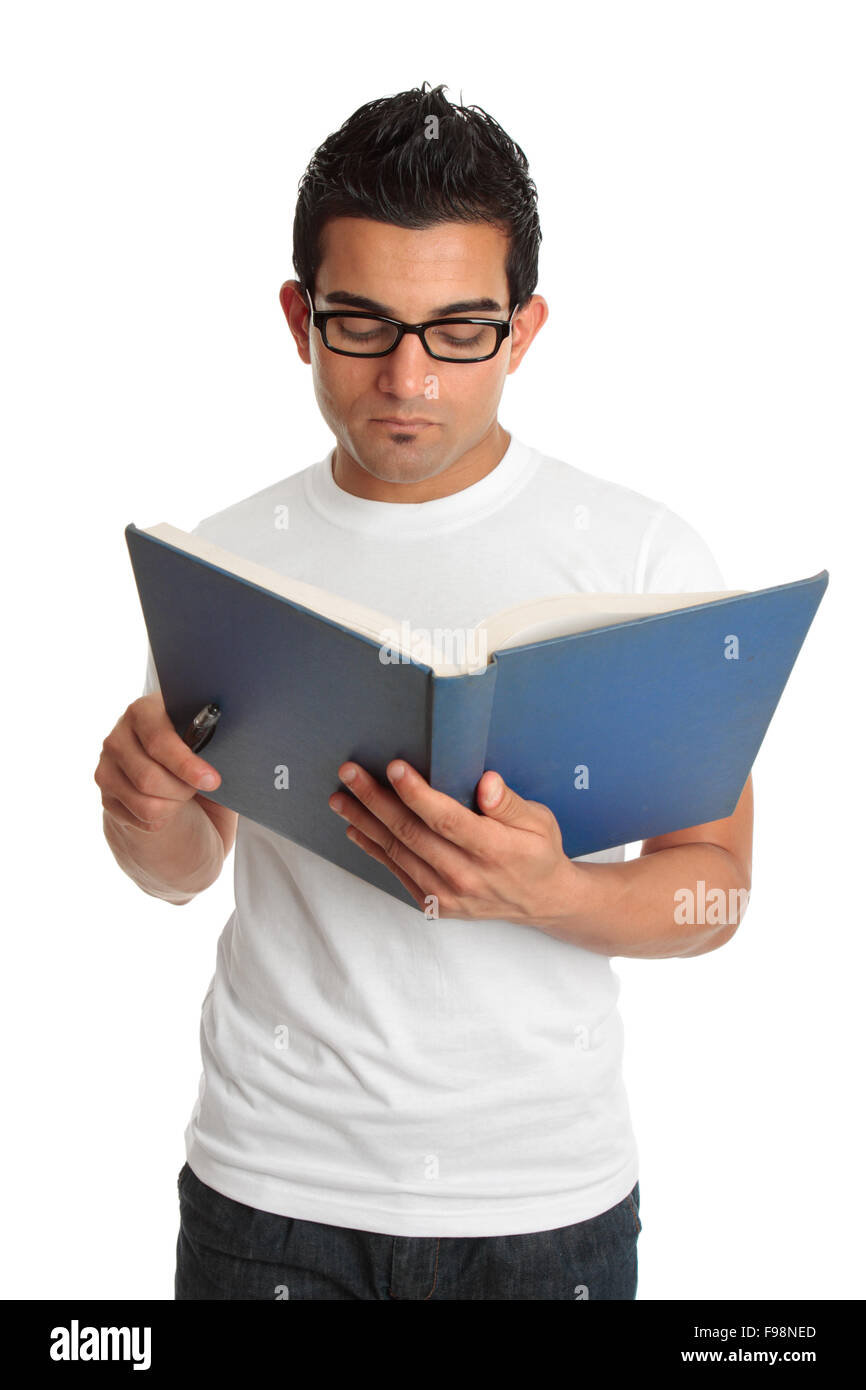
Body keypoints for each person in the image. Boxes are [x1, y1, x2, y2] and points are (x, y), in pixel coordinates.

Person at [95, 82, 753, 1301]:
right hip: (269, 1192)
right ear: (299, 317)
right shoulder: (231, 557)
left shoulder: (641, 556)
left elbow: (711, 891)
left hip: (544, 1203)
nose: (407, 378)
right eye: (362, 323)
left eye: (459, 329)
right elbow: (184, 867)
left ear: (524, 328)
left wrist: (548, 891)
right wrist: (142, 815)